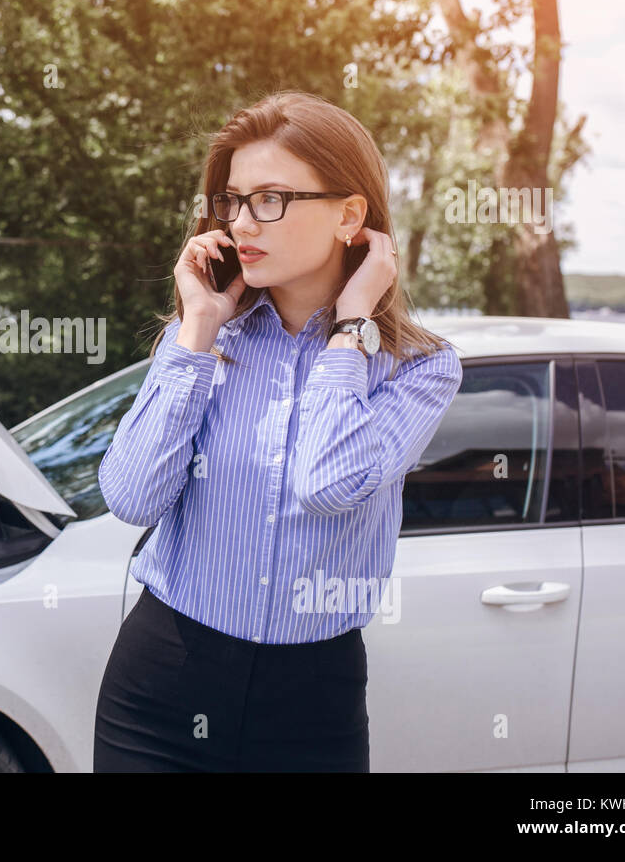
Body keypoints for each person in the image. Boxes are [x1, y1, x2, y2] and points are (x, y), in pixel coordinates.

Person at [93, 90, 463, 772]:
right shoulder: (204, 338)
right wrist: (197, 326)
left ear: (349, 214)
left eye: (270, 199)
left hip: (311, 702)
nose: (240, 222)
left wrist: (352, 329)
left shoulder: (420, 367)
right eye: (231, 201)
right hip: (163, 682)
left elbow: (330, 484)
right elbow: (132, 497)